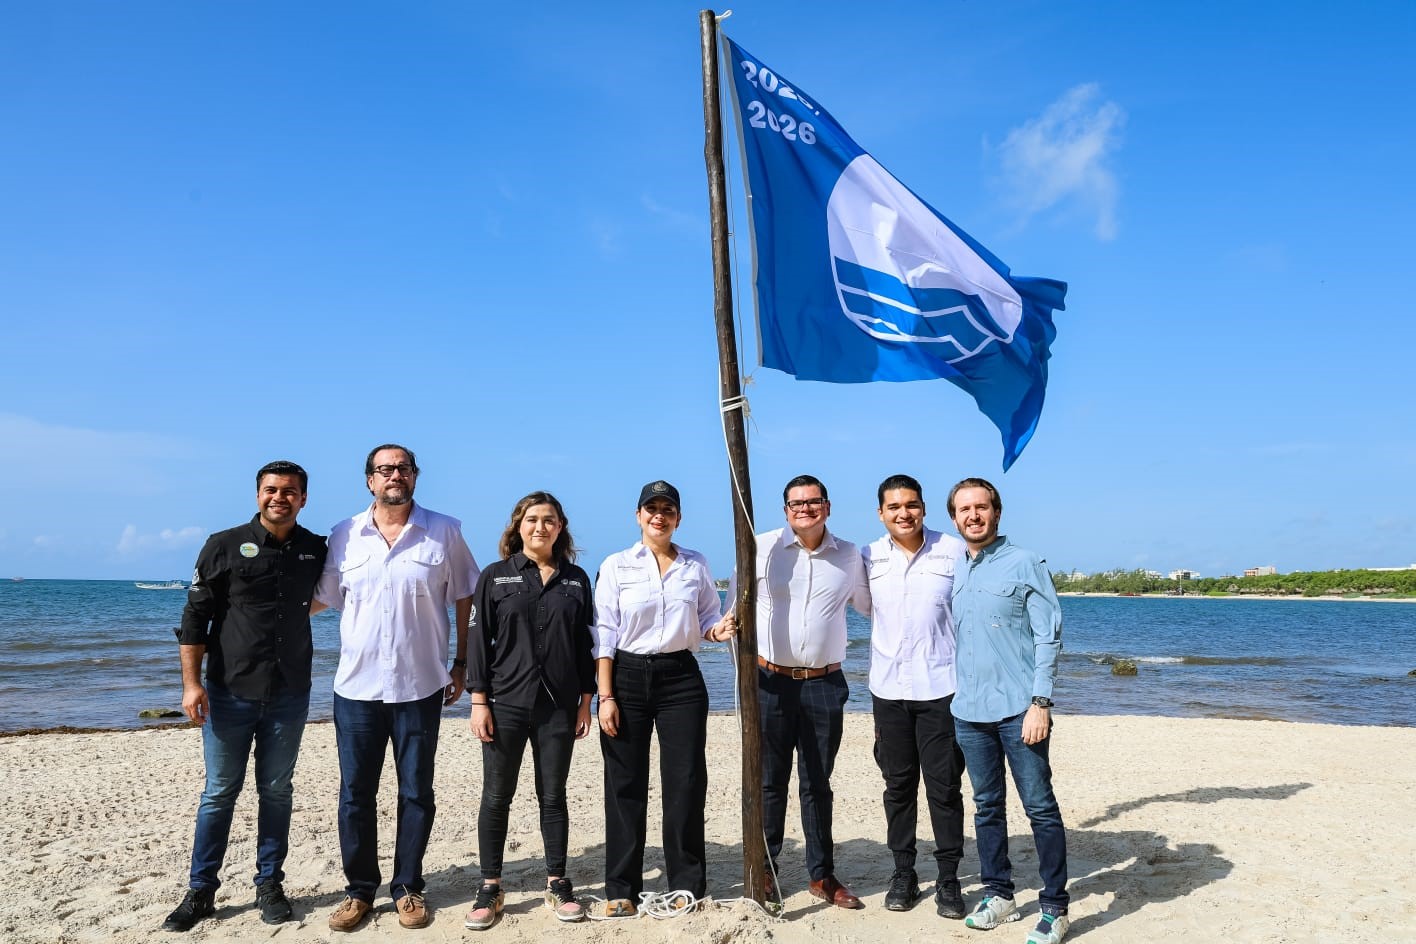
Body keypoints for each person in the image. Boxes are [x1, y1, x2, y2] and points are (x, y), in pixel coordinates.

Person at [315, 445, 480, 932]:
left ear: (415, 476)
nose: (395, 476)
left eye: (403, 468)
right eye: (385, 470)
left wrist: (463, 662)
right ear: (369, 480)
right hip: (356, 688)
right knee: (355, 794)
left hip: (420, 685)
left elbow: (466, 594)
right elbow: (322, 598)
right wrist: (253, 617)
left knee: (416, 792)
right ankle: (359, 891)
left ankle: (408, 887)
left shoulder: (444, 530)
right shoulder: (344, 534)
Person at [162, 460, 328, 932]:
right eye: (272, 490)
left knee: (276, 792)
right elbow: (196, 617)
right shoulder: (224, 544)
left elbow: (333, 592)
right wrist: (191, 683)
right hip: (229, 691)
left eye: (291, 491)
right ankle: (201, 891)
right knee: (218, 794)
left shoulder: (315, 548)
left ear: (303, 498)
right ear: (258, 494)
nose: (281, 497)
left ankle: (269, 883)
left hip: (290, 692)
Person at [591, 481, 736, 916]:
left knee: (686, 783)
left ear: (678, 517)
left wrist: (717, 630)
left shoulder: (695, 564)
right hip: (628, 677)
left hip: (681, 681)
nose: (659, 515)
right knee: (625, 785)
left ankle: (686, 885)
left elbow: (708, 614)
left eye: (668, 508)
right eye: (651, 508)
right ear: (638, 516)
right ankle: (621, 888)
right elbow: (604, 634)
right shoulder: (616, 566)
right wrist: (606, 695)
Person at [734, 474, 869, 909]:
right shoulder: (761, 547)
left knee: (817, 784)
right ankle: (767, 871)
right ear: (785, 509)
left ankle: (821, 876)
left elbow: (875, 608)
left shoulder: (850, 556)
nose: (805, 509)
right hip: (769, 683)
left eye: (813, 502)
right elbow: (738, 608)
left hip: (825, 685)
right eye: (796, 503)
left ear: (827, 507)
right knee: (770, 781)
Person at [462, 492, 595, 931]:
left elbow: (585, 645)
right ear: (518, 526)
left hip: (559, 706)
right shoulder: (495, 577)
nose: (541, 527)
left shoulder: (576, 579)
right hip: (506, 704)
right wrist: (478, 701)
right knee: (497, 797)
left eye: (549, 520)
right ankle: (490, 886)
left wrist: (586, 699)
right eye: (532, 519)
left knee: (553, 796)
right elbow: (479, 645)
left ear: (561, 527)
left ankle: (557, 881)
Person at [947, 478, 1069, 944]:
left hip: (1021, 710)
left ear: (996, 512)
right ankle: (999, 892)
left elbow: (1048, 636)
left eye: (981, 507)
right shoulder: (955, 568)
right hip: (969, 712)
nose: (973, 515)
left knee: (1039, 807)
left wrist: (1041, 703)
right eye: (964, 509)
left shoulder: (1026, 562)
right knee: (986, 807)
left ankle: (1055, 907)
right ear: (954, 518)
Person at [858, 474, 968, 917]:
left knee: (945, 789)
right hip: (888, 691)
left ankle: (948, 879)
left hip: (942, 688)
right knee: (897, 786)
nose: (904, 513)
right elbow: (864, 607)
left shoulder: (953, 551)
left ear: (923, 508)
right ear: (881, 513)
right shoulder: (867, 557)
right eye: (894, 507)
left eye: (912, 505)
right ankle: (904, 873)